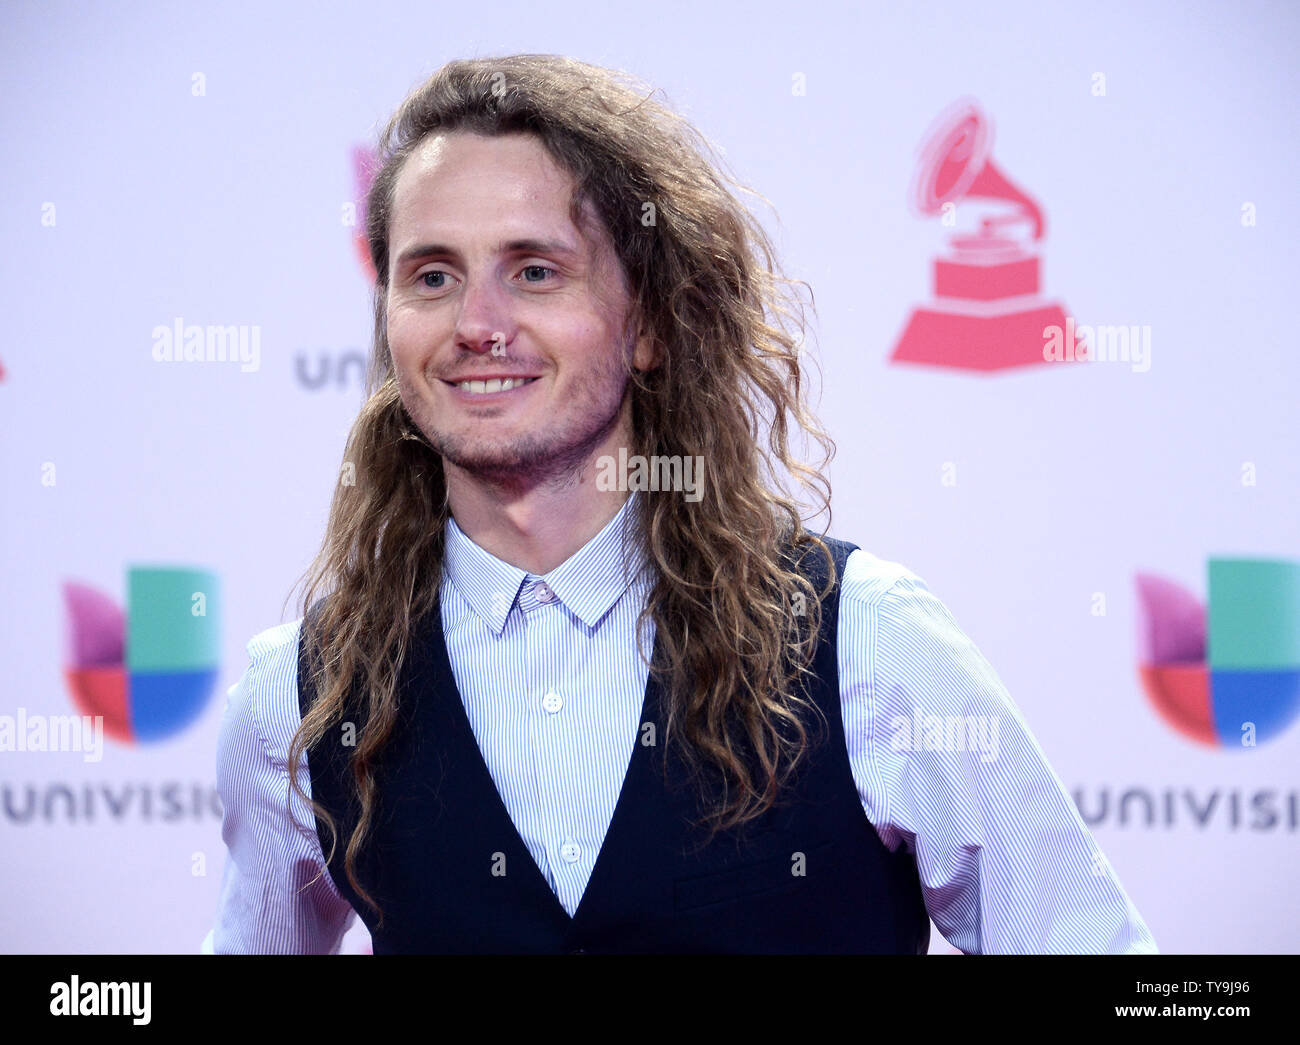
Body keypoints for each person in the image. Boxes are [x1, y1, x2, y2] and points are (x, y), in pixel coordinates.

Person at [206, 54, 1157, 954]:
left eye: (535, 270)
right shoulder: (297, 697)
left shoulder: (865, 638)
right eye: (433, 276)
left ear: (650, 324)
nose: (478, 326)